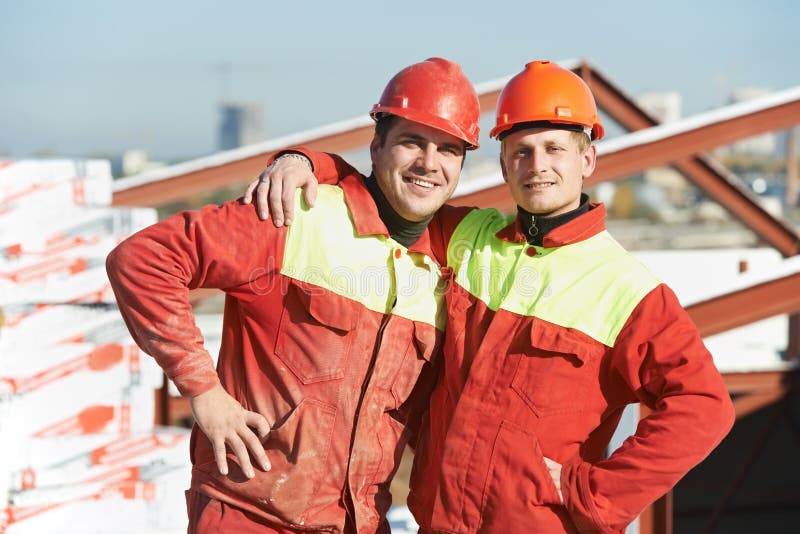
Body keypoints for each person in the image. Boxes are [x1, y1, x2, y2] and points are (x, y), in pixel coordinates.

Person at [247, 60, 735, 533]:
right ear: (503, 163)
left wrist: (596, 495)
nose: (537, 166)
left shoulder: (628, 289)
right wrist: (304, 160)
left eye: (554, 149)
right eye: (521, 151)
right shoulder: (467, 236)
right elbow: (392, 189)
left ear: (587, 158)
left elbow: (704, 405)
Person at [106, 57, 482, 533]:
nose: (429, 163)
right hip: (249, 516)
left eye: (448, 150)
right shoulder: (295, 214)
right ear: (377, 145)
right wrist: (204, 393)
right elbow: (143, 260)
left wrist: (310, 158)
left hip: (357, 524)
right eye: (411, 141)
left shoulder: (446, 263)